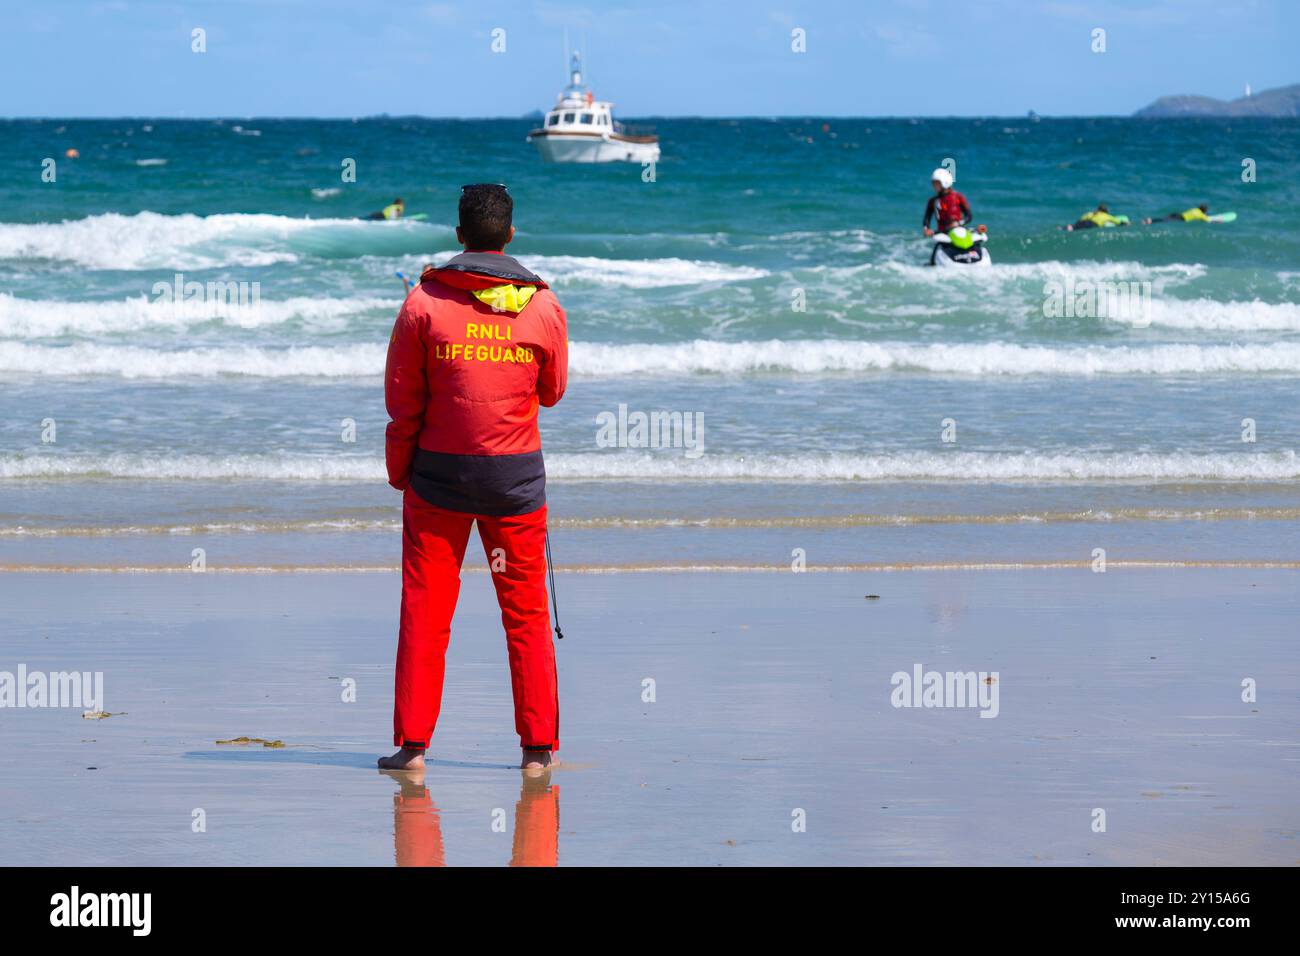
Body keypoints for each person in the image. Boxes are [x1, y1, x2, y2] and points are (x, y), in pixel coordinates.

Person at [379, 183, 569, 772]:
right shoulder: (542, 306)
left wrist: (398, 472)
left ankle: (413, 748)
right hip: (512, 482)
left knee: (426, 610)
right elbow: (553, 392)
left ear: (459, 235)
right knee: (526, 613)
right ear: (510, 236)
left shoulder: (424, 301)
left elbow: (402, 401)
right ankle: (537, 752)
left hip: (438, 479)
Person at [922, 167, 971, 237]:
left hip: (958, 232)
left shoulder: (958, 197)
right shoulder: (932, 201)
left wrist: (958, 223)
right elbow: (927, 218)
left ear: (945, 182)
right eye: (933, 183)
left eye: (936, 183)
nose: (934, 186)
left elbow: (969, 217)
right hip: (942, 235)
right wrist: (926, 229)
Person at [1065, 202, 1129, 231]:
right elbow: (1117, 222)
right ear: (1106, 210)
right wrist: (1125, 223)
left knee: (1074, 227)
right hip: (1092, 224)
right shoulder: (1107, 216)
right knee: (1081, 229)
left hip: (1083, 222)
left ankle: (1066, 227)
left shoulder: (1090, 213)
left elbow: (1080, 219)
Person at [1142, 203, 1210, 225]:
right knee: (1164, 220)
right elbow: (1207, 220)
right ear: (1204, 210)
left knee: (1164, 218)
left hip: (1178, 214)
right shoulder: (1201, 215)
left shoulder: (1195, 209)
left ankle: (1149, 220)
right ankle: (1149, 221)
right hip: (1180, 218)